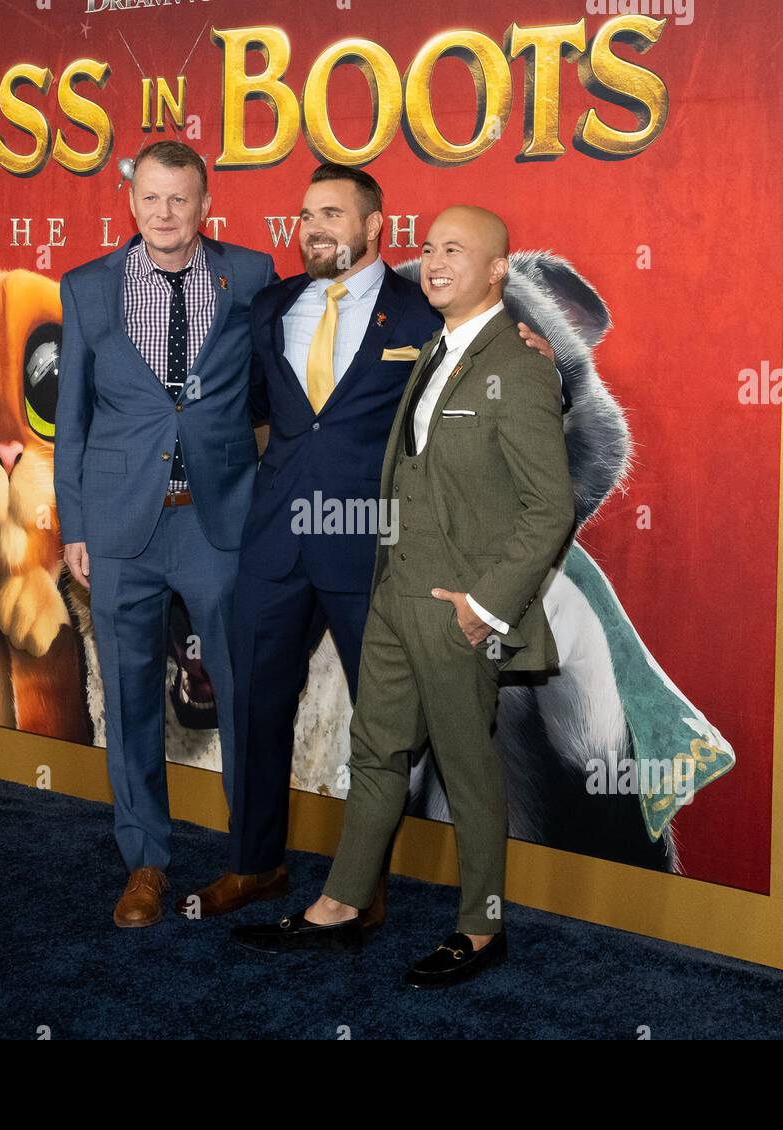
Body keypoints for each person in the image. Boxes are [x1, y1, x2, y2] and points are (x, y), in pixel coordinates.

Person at [178, 168, 556, 925]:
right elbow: (256, 409)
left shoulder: (427, 310)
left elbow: (491, 384)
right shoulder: (272, 305)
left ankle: (363, 883)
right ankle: (256, 865)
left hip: (376, 549)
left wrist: (534, 351)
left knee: (383, 728)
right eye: (306, 215)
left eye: (332, 213)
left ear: (377, 225)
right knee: (254, 705)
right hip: (276, 542)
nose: (313, 227)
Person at [53, 140, 274, 928]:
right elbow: (70, 419)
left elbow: (277, 383)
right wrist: (73, 523)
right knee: (130, 694)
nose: (165, 214)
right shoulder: (86, 288)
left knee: (245, 693)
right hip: (120, 528)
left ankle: (253, 858)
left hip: (219, 522)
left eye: (180, 199)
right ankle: (145, 860)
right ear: (131, 201)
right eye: (151, 198)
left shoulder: (250, 275)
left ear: (204, 202)